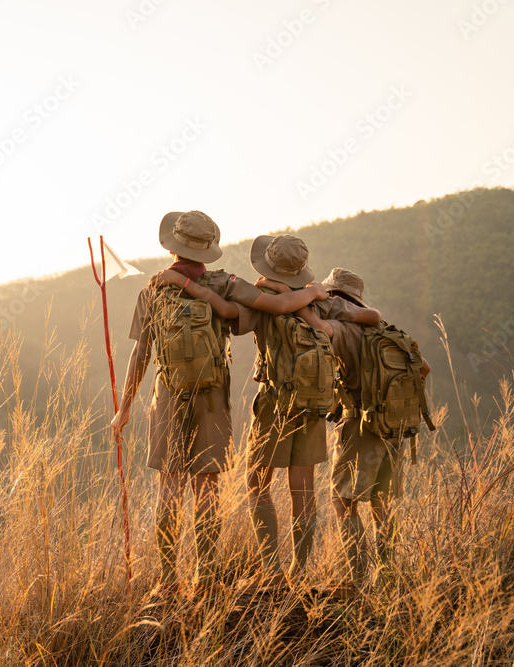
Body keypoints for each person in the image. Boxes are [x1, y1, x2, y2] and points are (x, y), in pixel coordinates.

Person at [110, 211, 329, 601]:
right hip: (212, 397)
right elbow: (273, 307)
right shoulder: (225, 284)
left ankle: (168, 579)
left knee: (170, 489)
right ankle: (207, 578)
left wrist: (124, 408)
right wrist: (310, 293)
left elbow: (140, 353)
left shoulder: (153, 290)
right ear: (208, 251)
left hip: (168, 395)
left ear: (172, 245)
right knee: (207, 488)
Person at [240, 237, 381, 586]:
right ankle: (297, 572)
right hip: (312, 405)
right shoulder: (326, 304)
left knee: (257, 484)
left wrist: (269, 287)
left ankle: (271, 571)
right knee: (301, 489)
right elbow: (373, 316)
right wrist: (316, 295)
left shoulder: (263, 299)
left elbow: (235, 318)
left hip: (273, 403)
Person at [308, 268, 431, 589]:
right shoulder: (387, 331)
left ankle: (357, 579)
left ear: (336, 297)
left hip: (359, 425)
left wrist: (308, 296)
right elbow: (425, 368)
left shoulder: (343, 329)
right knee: (382, 503)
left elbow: (316, 324)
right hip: (394, 425)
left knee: (343, 501)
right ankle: (387, 576)